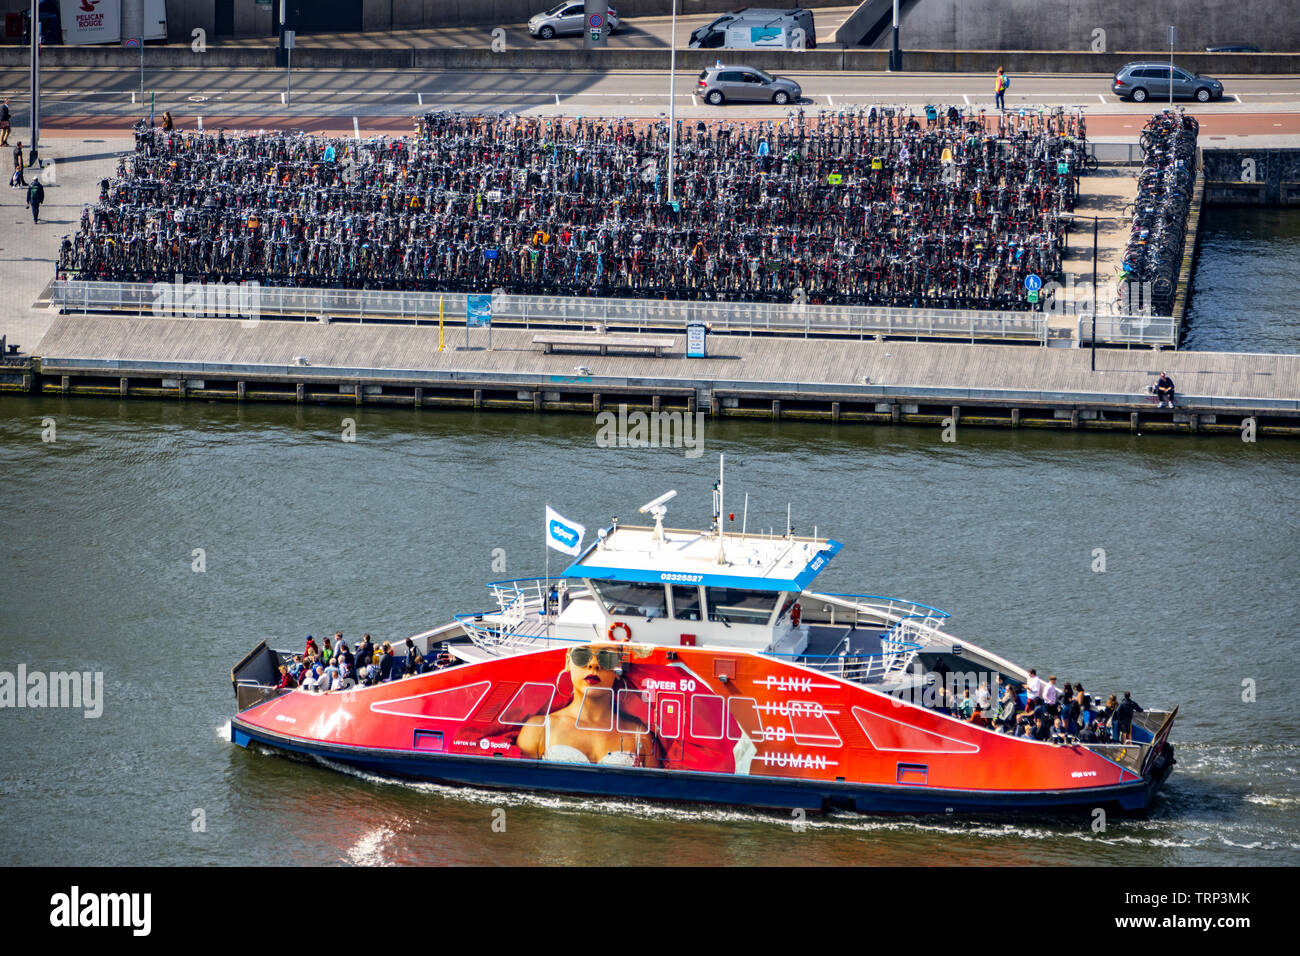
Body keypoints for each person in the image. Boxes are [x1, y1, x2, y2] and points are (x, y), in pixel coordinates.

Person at [516, 645, 660, 767]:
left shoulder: (640, 735)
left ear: (618, 667)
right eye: (582, 655)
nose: (593, 664)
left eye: (606, 657)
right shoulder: (538, 728)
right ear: (568, 662)